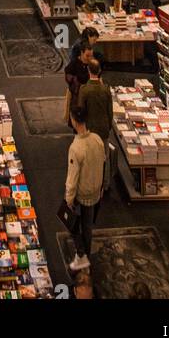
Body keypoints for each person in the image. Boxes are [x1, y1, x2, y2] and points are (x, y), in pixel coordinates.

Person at [65, 106, 106, 272]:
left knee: (71, 223)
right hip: (96, 190)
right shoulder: (97, 139)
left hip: (82, 192)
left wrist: (68, 199)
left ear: (74, 121)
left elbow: (72, 178)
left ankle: (81, 254)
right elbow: (103, 162)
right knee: (87, 226)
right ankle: (85, 258)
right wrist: (102, 185)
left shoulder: (76, 148)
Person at [77, 58, 113, 150]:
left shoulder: (84, 89)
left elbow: (81, 111)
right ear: (99, 70)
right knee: (104, 156)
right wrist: (108, 126)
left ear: (88, 70)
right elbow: (110, 112)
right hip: (104, 129)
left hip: (90, 129)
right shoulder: (106, 89)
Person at [65, 43, 93, 113]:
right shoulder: (74, 63)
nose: (89, 58)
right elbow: (68, 76)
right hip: (77, 97)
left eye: (91, 56)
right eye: (87, 56)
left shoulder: (91, 63)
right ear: (81, 53)